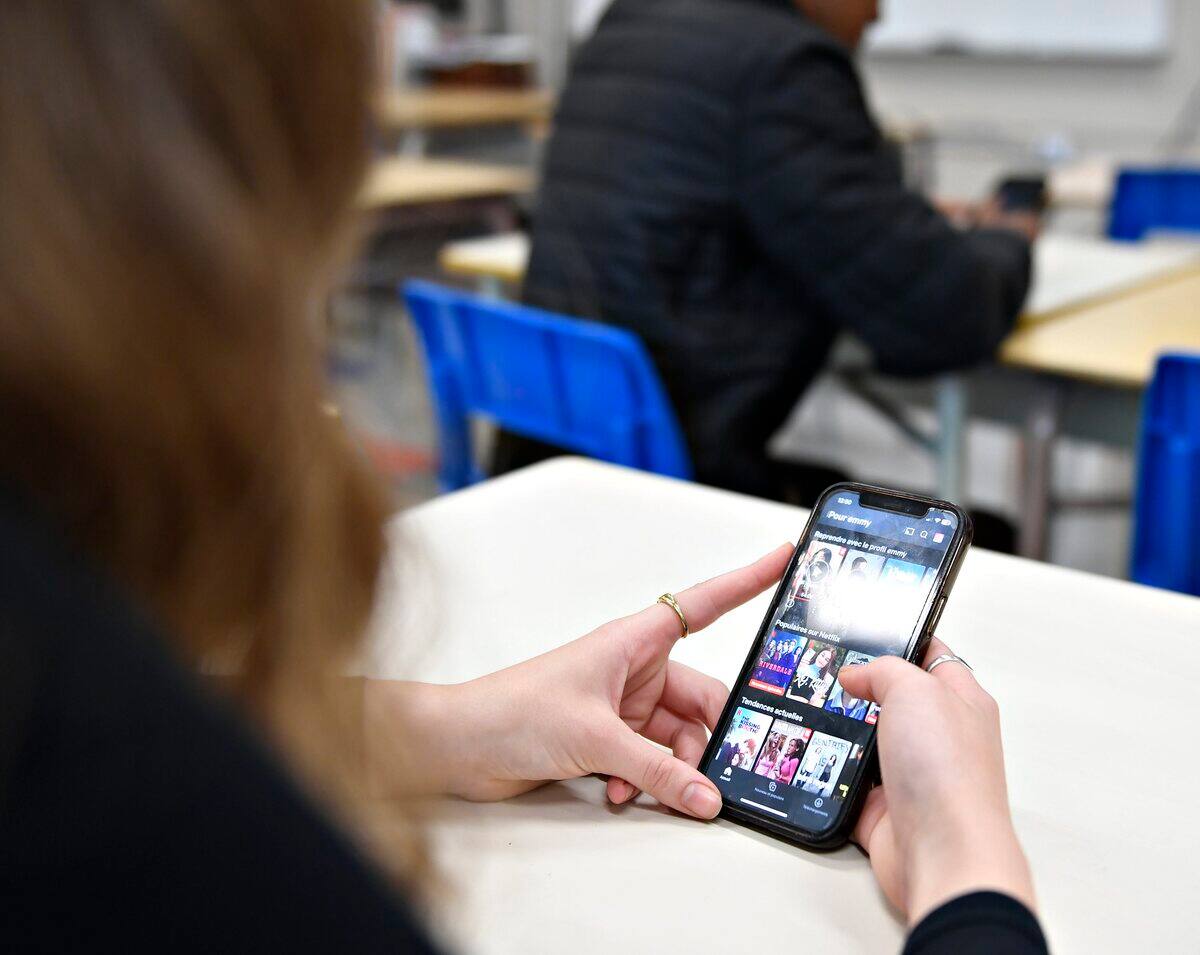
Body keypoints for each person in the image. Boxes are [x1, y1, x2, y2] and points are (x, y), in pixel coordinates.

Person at [0, 2, 1047, 953]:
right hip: (684, 463)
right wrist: (969, 871)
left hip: (555, 456)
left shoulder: (629, 25)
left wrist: (444, 727)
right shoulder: (133, 809)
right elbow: (935, 308)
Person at [497, 0, 1037, 502]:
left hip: (547, 466)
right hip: (664, 497)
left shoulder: (629, 19)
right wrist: (1010, 234)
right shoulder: (784, 67)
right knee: (980, 538)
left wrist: (891, 212)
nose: (877, 14)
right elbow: (946, 315)